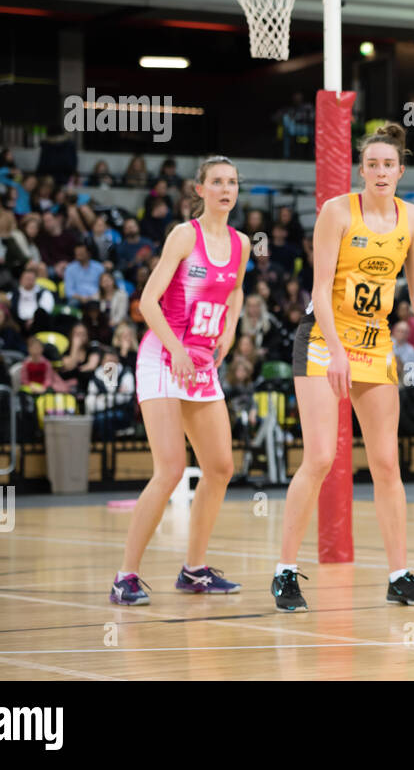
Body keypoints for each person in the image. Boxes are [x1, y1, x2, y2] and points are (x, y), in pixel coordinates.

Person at [277, 124, 414, 612]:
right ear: (361, 169)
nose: (379, 171)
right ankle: (285, 572)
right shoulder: (336, 212)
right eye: (371, 164)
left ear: (400, 171)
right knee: (321, 458)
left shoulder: (412, 217)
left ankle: (399, 575)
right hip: (323, 340)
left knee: (388, 463)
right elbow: (319, 289)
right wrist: (336, 351)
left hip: (375, 344)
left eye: (388, 164)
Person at [111, 156, 250, 606]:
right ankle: (125, 576)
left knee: (221, 468)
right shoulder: (183, 235)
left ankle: (194, 570)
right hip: (163, 355)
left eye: (231, 182)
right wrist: (175, 349)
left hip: (203, 362)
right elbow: (147, 302)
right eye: (217, 182)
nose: (225, 189)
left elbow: (236, 289)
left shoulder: (242, 243)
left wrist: (229, 328)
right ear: (200, 189)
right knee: (170, 468)